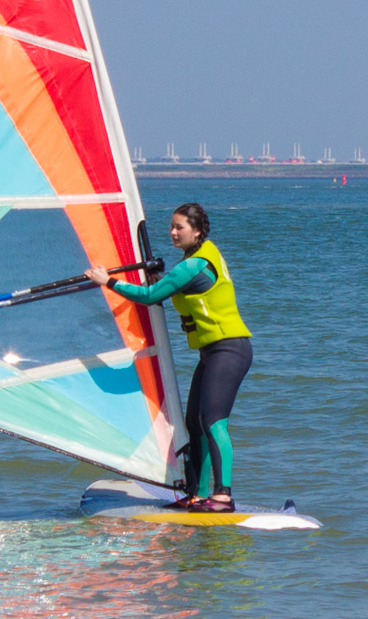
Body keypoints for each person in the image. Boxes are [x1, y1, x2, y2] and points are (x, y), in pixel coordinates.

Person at [87, 203, 252, 512]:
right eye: (172, 226)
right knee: (194, 422)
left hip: (230, 349)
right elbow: (173, 285)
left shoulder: (193, 265)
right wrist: (160, 276)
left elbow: (150, 296)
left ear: (198, 231)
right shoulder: (197, 259)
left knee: (213, 422)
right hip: (212, 352)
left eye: (180, 228)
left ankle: (223, 495)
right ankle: (199, 492)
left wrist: (107, 281)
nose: (173, 232)